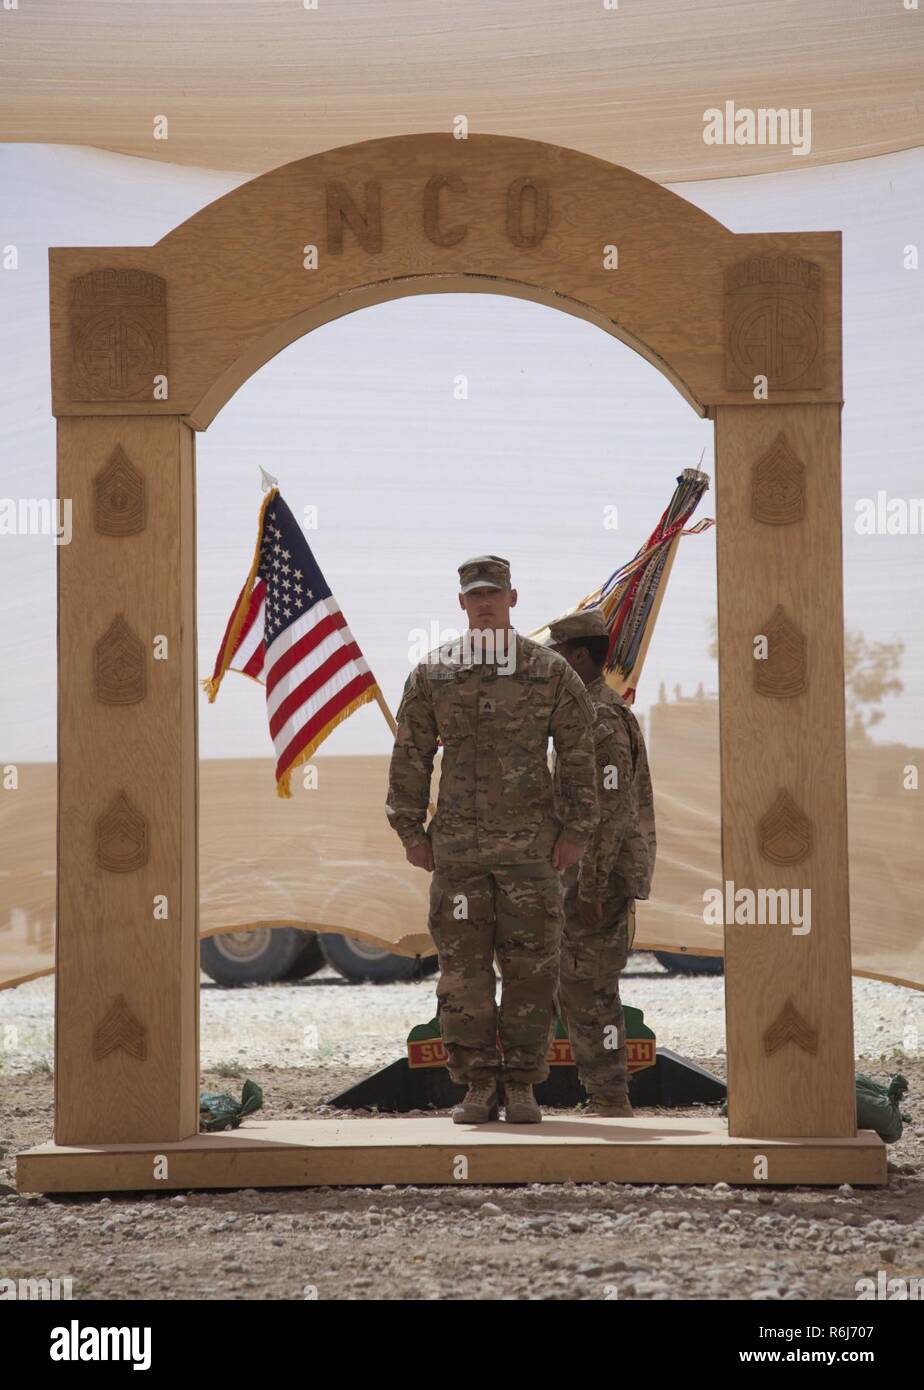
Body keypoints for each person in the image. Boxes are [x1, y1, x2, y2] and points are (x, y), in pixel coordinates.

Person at [385, 555, 599, 1125]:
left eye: (494, 594)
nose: (485, 603)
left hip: (532, 852)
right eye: (475, 595)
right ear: (461, 603)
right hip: (457, 854)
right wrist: (410, 829)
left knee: (532, 970)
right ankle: (478, 1084)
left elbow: (579, 754)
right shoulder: (433, 674)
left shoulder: (549, 673)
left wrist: (577, 829)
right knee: (462, 974)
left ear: (512, 599)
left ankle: (524, 1083)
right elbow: (411, 756)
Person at [547, 608, 656, 1117]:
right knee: (580, 985)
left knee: (590, 989)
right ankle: (605, 1093)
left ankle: (611, 1095)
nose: (554, 666)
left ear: (581, 657)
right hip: (592, 873)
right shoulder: (588, 710)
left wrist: (589, 886)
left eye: (560, 656)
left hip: (600, 877)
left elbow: (609, 811)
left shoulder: (600, 718)